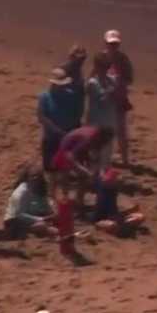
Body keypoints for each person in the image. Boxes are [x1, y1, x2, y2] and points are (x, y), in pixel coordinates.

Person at [38, 68, 84, 191]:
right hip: (51, 138)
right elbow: (42, 117)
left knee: (65, 171)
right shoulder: (45, 97)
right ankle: (52, 196)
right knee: (51, 172)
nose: (62, 87)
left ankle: (64, 196)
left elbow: (76, 114)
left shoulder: (71, 96)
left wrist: (73, 131)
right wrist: (57, 131)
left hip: (67, 138)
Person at [51, 125, 115, 209]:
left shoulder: (99, 139)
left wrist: (97, 172)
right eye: (106, 140)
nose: (106, 143)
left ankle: (79, 201)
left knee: (83, 176)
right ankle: (62, 199)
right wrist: (86, 171)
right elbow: (71, 157)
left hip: (79, 148)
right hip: (68, 146)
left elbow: (96, 157)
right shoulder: (87, 139)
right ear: (101, 136)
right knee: (64, 173)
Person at [101, 30, 135, 167]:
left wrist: (119, 83)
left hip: (119, 99)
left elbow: (130, 79)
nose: (113, 46)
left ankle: (125, 160)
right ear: (105, 43)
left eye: (115, 44)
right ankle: (106, 157)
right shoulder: (101, 57)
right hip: (105, 99)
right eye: (111, 43)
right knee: (105, 129)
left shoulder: (123, 59)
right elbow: (94, 75)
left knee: (121, 130)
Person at [86, 53, 119, 169]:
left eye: (106, 67)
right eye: (101, 66)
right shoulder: (92, 83)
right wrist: (110, 93)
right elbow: (100, 99)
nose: (104, 70)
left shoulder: (113, 80)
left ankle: (103, 180)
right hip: (95, 124)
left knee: (106, 155)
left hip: (109, 123)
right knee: (95, 154)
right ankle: (95, 180)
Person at [92, 168, 145, 236]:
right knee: (113, 225)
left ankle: (123, 229)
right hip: (102, 220)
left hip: (113, 217)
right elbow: (112, 215)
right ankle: (120, 231)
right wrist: (129, 212)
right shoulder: (106, 194)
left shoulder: (110, 190)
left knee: (140, 216)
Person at [4, 172, 56, 239]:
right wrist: (41, 219)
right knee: (43, 225)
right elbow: (21, 215)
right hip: (16, 222)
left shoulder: (39, 191)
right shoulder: (23, 191)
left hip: (33, 219)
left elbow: (46, 207)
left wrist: (51, 214)